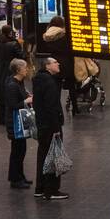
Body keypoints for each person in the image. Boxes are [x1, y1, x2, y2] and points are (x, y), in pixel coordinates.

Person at [32, 57, 68, 200]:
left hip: (41, 125)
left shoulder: (38, 79)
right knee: (53, 157)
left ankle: (39, 188)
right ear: (47, 66)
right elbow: (51, 107)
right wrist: (56, 128)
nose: (58, 63)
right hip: (50, 126)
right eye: (55, 62)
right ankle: (51, 190)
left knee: (42, 156)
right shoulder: (49, 82)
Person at [37, 16, 77, 116]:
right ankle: (75, 108)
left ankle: (57, 108)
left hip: (53, 62)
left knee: (56, 87)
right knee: (72, 85)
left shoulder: (47, 36)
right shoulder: (65, 35)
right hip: (67, 62)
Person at [0, 25, 25, 126]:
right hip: (11, 71)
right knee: (12, 93)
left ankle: (1, 119)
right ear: (10, 32)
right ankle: (11, 118)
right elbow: (21, 56)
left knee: (1, 95)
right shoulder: (14, 43)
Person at [4, 59, 32, 190]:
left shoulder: (19, 83)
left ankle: (20, 176)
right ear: (18, 70)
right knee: (17, 152)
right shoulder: (12, 85)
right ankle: (15, 179)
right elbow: (13, 105)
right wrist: (27, 100)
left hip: (20, 123)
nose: (27, 69)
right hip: (15, 124)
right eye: (25, 67)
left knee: (21, 150)